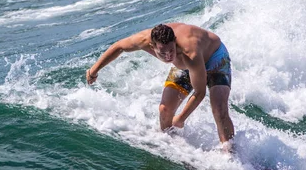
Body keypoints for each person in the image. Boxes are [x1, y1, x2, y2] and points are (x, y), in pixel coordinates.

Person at [86, 23, 234, 146]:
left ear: (175, 42)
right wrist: (94, 70)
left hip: (215, 59)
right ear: (152, 46)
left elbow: (200, 92)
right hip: (185, 66)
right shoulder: (143, 40)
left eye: (171, 50)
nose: (168, 56)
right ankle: (171, 144)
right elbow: (119, 47)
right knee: (164, 110)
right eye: (163, 53)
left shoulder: (189, 53)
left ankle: (230, 155)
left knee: (219, 110)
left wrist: (180, 119)